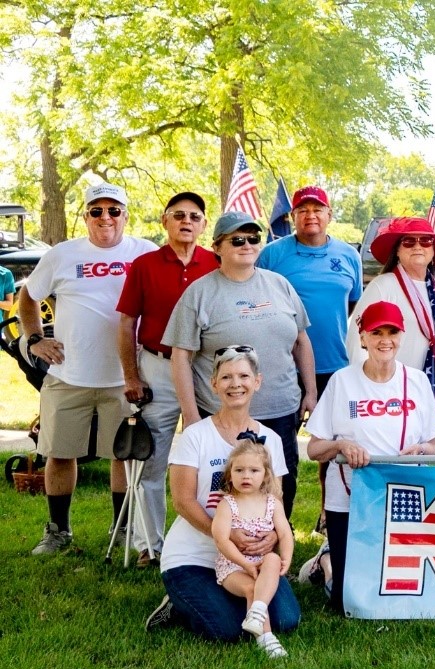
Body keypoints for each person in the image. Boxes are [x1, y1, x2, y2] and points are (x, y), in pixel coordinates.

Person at [22, 183, 158, 555]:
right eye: (96, 211)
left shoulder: (146, 253)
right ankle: (58, 531)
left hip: (125, 378)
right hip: (69, 375)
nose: (106, 218)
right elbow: (29, 297)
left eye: (114, 210)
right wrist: (35, 339)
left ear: (126, 215)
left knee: (123, 455)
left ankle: (124, 528)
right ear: (85, 216)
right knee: (59, 453)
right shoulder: (62, 255)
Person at [166, 211, 316, 518]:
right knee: (225, 489)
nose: (246, 244)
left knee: (279, 486)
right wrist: (192, 415)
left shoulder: (280, 285)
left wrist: (310, 391)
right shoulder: (200, 293)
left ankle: (274, 553)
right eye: (237, 239)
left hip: (280, 411)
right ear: (218, 247)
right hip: (222, 415)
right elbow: (181, 356)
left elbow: (301, 340)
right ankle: (223, 549)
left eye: (253, 238)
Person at [149, 346, 298, 643]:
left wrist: (274, 537)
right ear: (213, 384)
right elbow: (182, 501)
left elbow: (275, 499)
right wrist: (225, 536)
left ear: (257, 381)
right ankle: (179, 602)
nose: (235, 384)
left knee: (285, 619)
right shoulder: (196, 435)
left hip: (248, 557)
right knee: (226, 630)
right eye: (226, 377)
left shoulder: (272, 439)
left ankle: (230, 599)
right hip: (194, 556)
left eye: (243, 376)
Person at [307, 301, 435, 612]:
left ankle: (329, 559)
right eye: (376, 332)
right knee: (346, 601)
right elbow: (315, 448)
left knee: (398, 593)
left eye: (392, 332)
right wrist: (341, 446)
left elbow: (433, 445)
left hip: (403, 493)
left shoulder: (417, 382)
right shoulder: (342, 381)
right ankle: (327, 563)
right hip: (349, 496)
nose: (385, 340)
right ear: (362, 337)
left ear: (402, 336)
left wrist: (420, 450)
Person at [115, 191, 220, 565]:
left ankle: (212, 538)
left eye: (194, 216)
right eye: (178, 215)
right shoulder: (144, 264)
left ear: (204, 224)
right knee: (152, 457)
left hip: (205, 367)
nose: (186, 221)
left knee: (212, 453)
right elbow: (127, 322)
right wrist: (131, 375)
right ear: (165, 221)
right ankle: (150, 544)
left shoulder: (217, 262)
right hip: (157, 367)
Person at [255, 185, 362, 401]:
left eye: (317, 209)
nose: (310, 215)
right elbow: (258, 304)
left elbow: (351, 302)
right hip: (284, 366)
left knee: (335, 434)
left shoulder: (349, 256)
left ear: (329, 215)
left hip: (334, 363)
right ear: (292, 216)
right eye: (303, 210)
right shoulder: (271, 255)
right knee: (281, 434)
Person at [346, 216, 435, 417]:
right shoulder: (383, 286)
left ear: (433, 249)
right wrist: (366, 389)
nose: (418, 246)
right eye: (408, 241)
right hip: (391, 398)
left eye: (425, 241)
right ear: (397, 250)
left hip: (432, 391)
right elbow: (356, 338)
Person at [211, 439, 294, 658]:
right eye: (239, 470)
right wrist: (244, 563)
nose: (246, 476)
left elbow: (285, 533)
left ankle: (256, 612)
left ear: (266, 475)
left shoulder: (272, 503)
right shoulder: (227, 504)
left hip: (263, 564)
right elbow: (221, 540)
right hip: (233, 565)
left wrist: (286, 557)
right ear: (230, 474)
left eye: (254, 470)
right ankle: (266, 639)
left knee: (273, 560)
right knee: (251, 587)